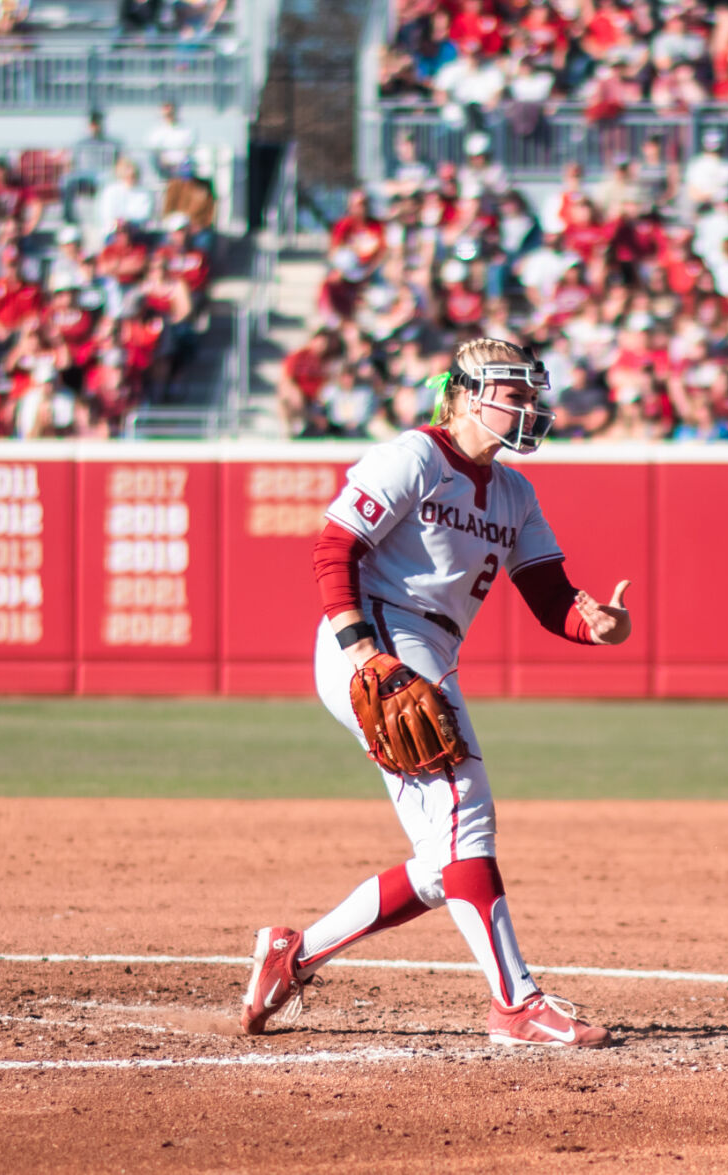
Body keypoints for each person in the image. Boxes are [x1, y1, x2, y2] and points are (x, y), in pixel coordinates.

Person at [241, 338, 632, 1050]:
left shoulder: (514, 491)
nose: (529, 409)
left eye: (531, 397)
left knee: (441, 857)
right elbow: (334, 548)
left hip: (426, 648)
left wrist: (594, 622)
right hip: (378, 638)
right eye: (514, 395)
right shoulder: (414, 457)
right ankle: (515, 1005)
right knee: (465, 818)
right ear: (465, 394)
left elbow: (549, 596)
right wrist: (363, 653)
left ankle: (291, 957)